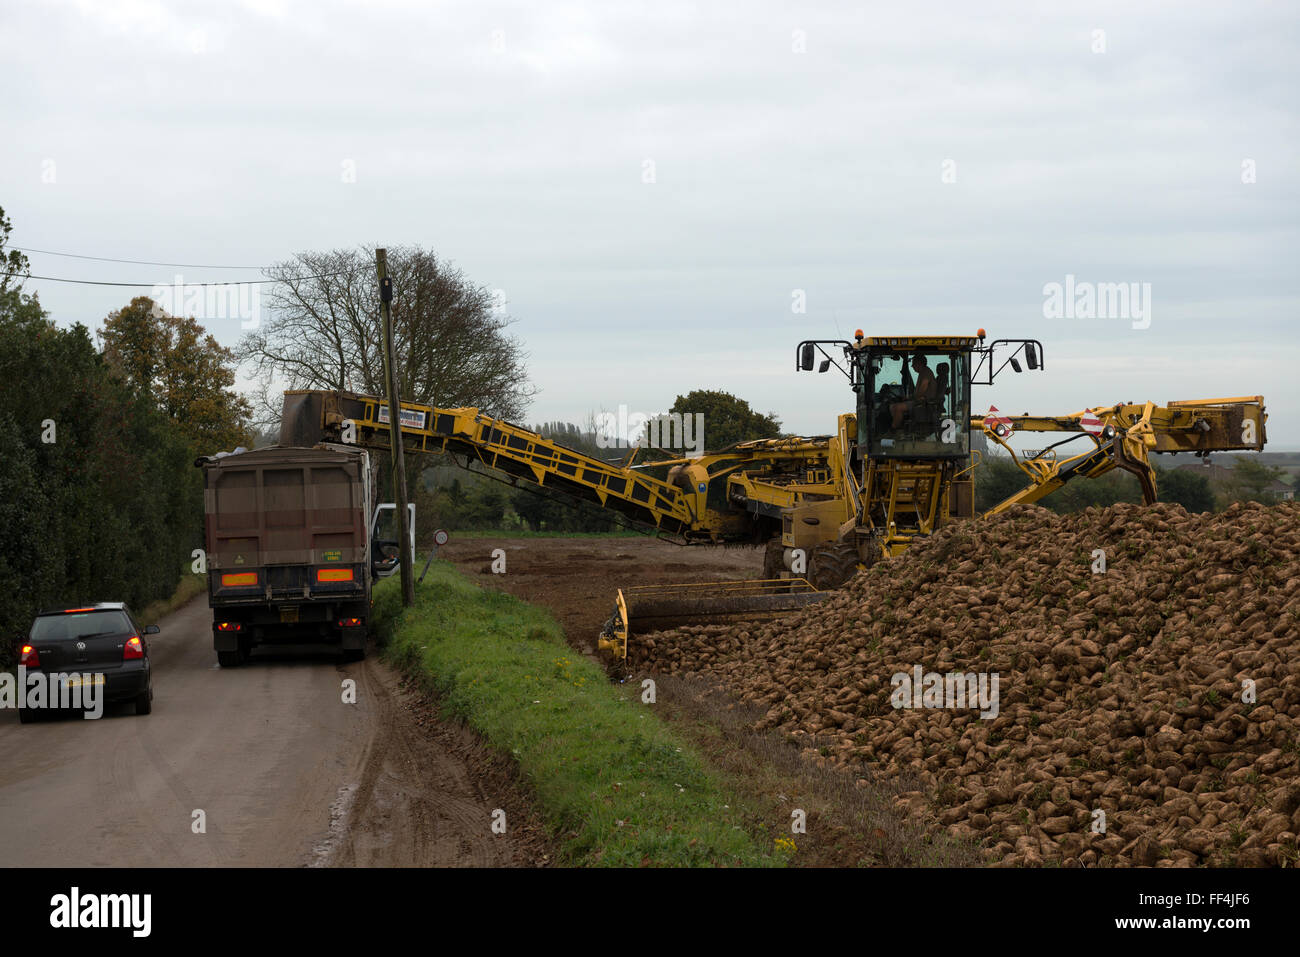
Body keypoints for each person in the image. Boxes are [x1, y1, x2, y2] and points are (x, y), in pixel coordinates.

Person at [890, 354, 935, 428]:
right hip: (921, 401)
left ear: (919, 364)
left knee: (897, 407)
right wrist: (908, 398)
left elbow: (922, 390)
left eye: (914, 364)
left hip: (924, 402)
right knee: (893, 407)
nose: (912, 366)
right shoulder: (923, 372)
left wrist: (910, 397)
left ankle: (895, 430)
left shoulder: (926, 372)